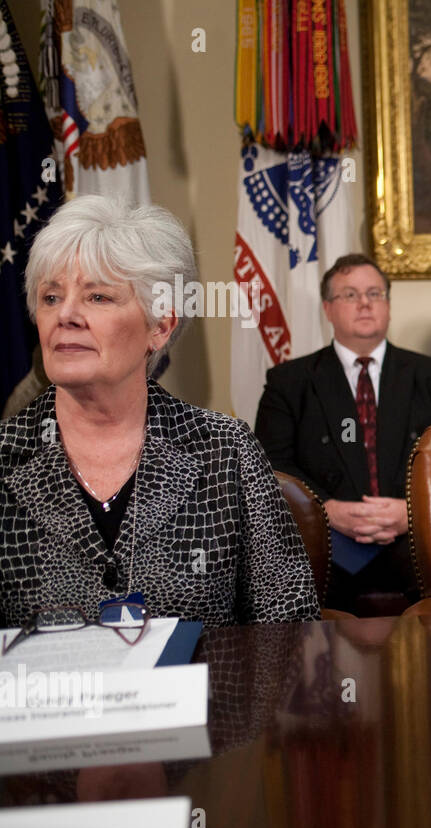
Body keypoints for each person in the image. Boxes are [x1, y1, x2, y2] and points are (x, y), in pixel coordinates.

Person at [0, 194, 319, 629]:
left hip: (208, 697)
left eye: (97, 297)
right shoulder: (5, 456)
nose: (66, 315)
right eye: (51, 297)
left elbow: (289, 630)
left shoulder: (225, 450)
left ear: (160, 326)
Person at [254, 253, 431, 610]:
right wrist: (325, 510)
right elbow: (272, 465)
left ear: (387, 304)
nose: (365, 304)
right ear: (327, 308)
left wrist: (412, 511)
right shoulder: (290, 382)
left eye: (375, 294)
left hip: (415, 535)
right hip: (327, 540)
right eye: (350, 295)